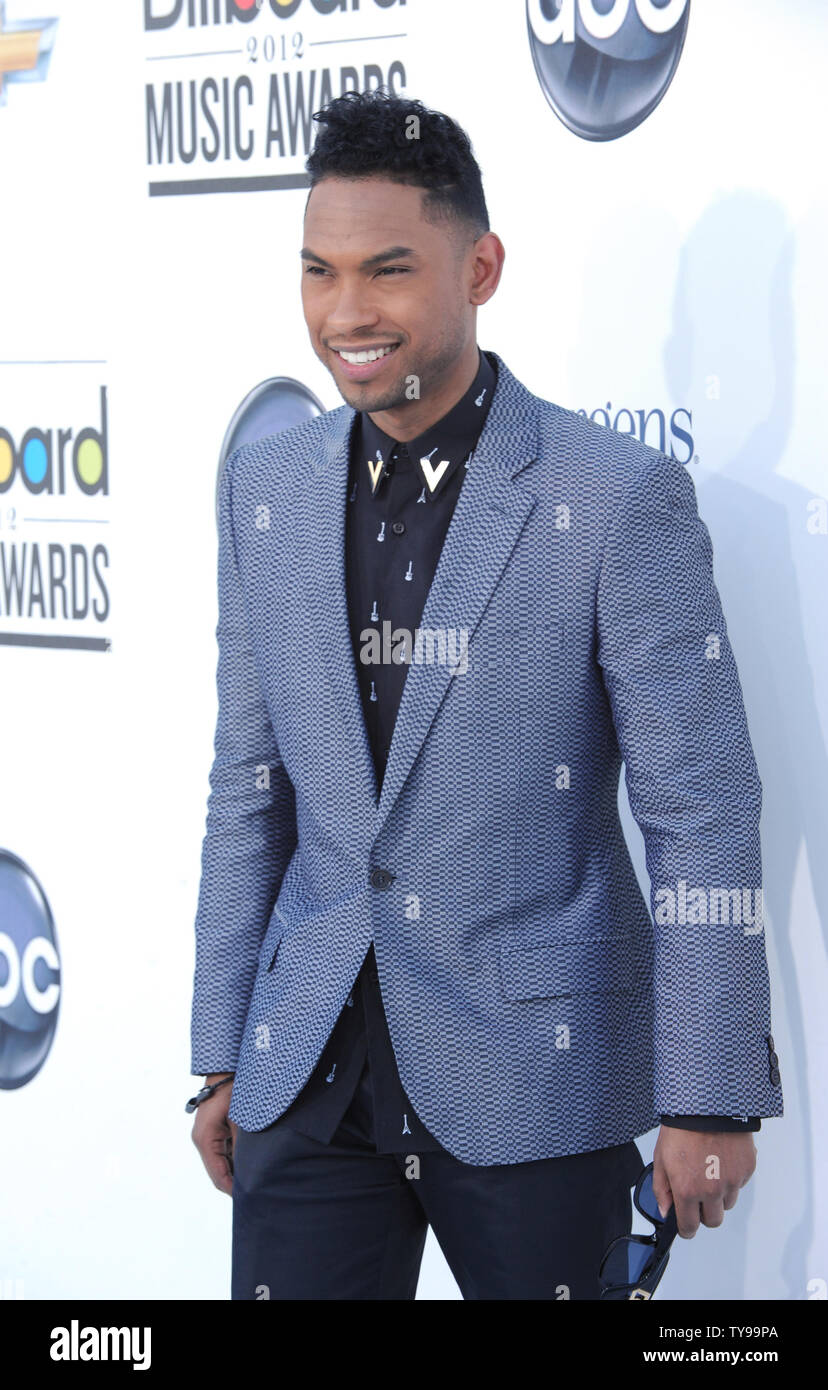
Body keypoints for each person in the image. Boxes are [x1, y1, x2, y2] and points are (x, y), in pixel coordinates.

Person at [189, 90, 783, 1300]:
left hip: (538, 1082)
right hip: (310, 1073)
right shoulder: (264, 488)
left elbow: (701, 807)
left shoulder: (616, 497)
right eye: (319, 272)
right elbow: (247, 789)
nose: (346, 313)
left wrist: (710, 1088)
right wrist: (219, 1051)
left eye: (389, 271)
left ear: (483, 266)